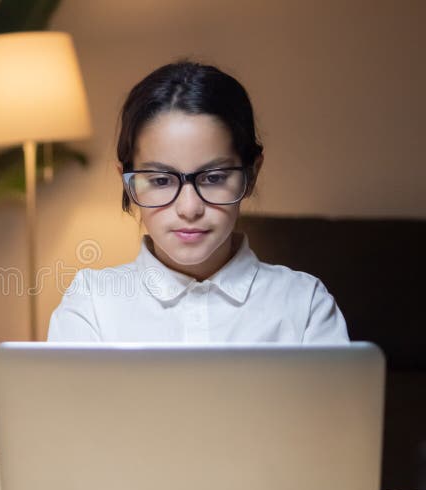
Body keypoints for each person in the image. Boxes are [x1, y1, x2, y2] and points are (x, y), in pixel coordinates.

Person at [47, 61, 348, 343]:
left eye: (214, 178)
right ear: (126, 181)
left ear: (252, 173)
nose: (189, 209)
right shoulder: (92, 304)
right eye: (161, 181)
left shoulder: (304, 304)